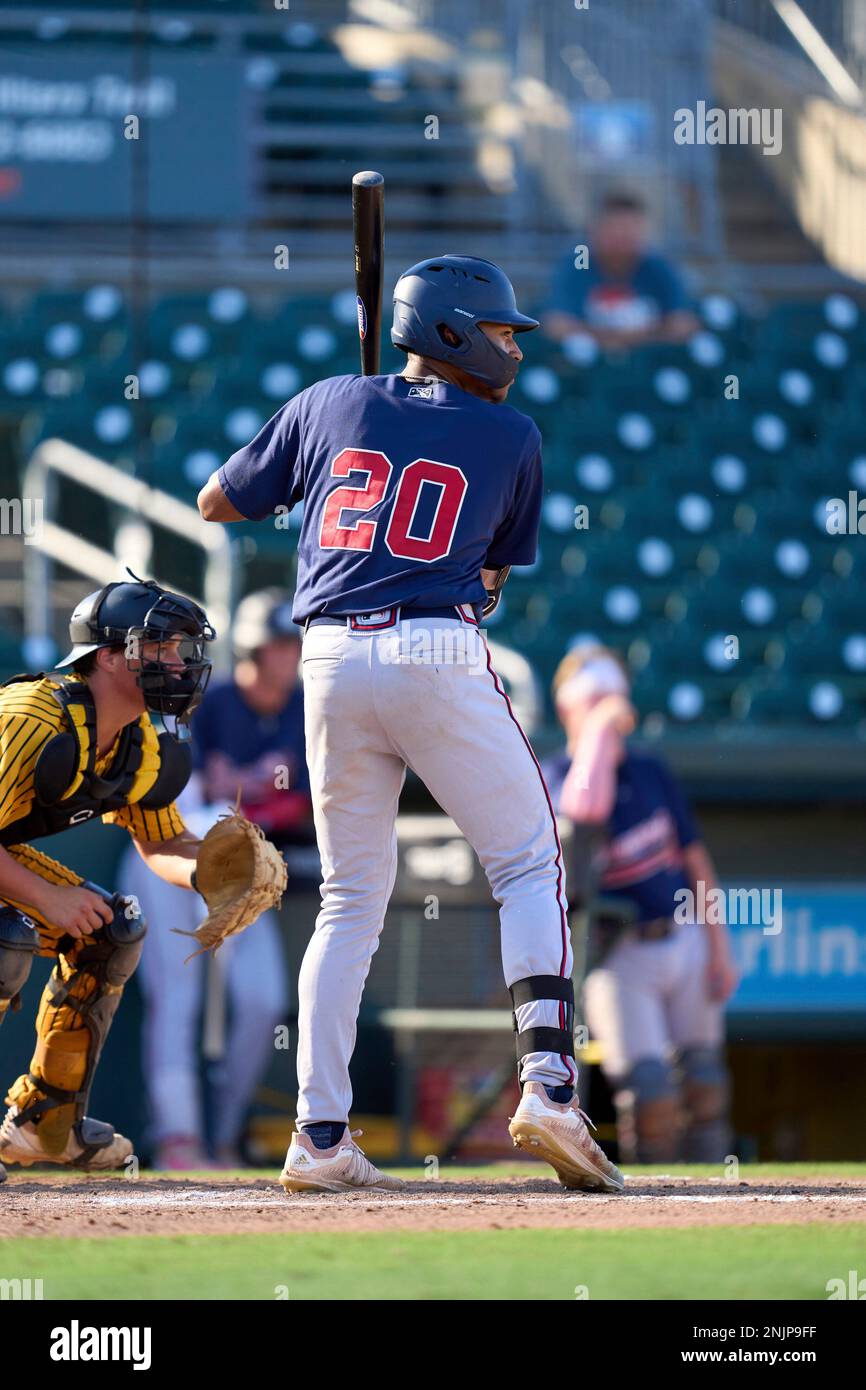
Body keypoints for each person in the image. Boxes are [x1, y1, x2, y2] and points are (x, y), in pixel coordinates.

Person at [198, 253, 624, 1194]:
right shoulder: (513, 434)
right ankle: (550, 1086)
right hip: (434, 648)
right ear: (452, 333)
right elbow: (491, 583)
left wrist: (329, 452)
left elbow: (216, 503)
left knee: (351, 899)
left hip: (328, 661)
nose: (512, 346)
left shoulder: (328, 401)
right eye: (503, 331)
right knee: (526, 861)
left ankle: (317, 1137)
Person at [0, 578, 214, 1183]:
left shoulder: (142, 738)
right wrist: (46, 898)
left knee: (110, 931)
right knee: (5, 936)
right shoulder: (32, 718)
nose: (177, 662)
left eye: (180, 648)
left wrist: (221, 873)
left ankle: (44, 1123)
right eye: (161, 647)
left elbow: (163, 841)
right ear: (109, 655)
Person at [120, 589, 302, 1169]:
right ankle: (180, 1137)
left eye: (293, 643)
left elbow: (298, 801)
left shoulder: (305, 707)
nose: (290, 655)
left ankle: (224, 1136)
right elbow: (180, 801)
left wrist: (251, 796)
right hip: (172, 856)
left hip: (249, 868)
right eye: (279, 644)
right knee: (177, 998)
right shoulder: (206, 701)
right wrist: (249, 796)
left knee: (262, 1000)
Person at [542, 643, 739, 1164]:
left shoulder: (651, 771)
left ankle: (721, 1202)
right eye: (595, 701)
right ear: (568, 708)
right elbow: (584, 809)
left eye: (615, 700)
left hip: (681, 937)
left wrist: (720, 947)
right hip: (617, 956)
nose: (610, 711)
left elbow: (696, 863)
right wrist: (599, 734)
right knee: (649, 1092)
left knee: (704, 1081)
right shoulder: (557, 774)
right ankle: (657, 1205)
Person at [543, 190, 698, 350]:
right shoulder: (576, 264)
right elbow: (556, 324)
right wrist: (616, 338)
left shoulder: (659, 268)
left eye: (630, 229)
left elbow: (684, 323)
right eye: (614, 229)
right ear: (594, 231)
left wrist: (631, 339)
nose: (622, 237)